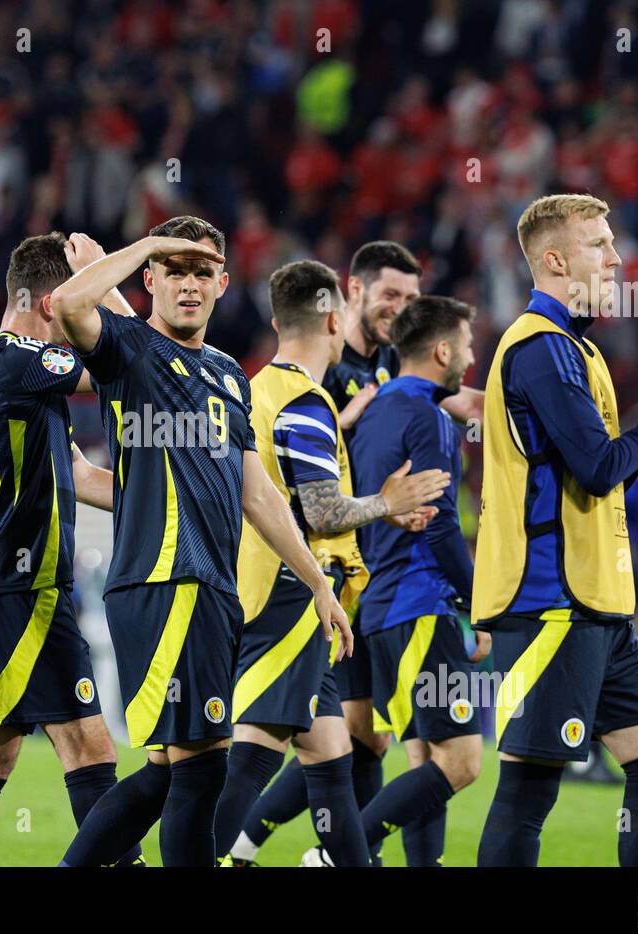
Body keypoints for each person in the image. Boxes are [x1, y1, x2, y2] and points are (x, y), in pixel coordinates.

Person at [51, 217, 354, 866]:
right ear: (151, 279)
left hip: (214, 593)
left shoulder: (226, 375)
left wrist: (318, 581)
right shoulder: (128, 350)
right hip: (163, 583)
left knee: (167, 772)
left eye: (200, 272)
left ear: (221, 283)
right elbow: (71, 302)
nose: (188, 285)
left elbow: (260, 496)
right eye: (173, 270)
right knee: (201, 771)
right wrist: (140, 250)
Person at [472, 193, 638, 867]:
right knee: (528, 789)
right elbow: (602, 469)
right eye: (598, 245)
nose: (615, 257)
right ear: (553, 259)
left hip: (595, 604)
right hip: (549, 604)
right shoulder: (542, 350)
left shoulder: (575, 348)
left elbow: (597, 478)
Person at [248, 241, 484, 864]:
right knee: (297, 740)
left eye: (411, 299)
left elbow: (467, 401)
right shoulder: (325, 393)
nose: (400, 308)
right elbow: (334, 506)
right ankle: (316, 854)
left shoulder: (382, 386)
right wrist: (476, 599)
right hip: (339, 589)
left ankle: (267, 848)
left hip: (358, 594)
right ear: (348, 297)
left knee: (359, 741)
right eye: (391, 295)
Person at [0, 232, 139, 867]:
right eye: (74, 301)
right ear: (53, 301)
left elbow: (76, 476)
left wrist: (169, 498)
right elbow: (122, 363)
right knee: (91, 747)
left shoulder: (9, 373)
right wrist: (112, 285)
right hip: (23, 593)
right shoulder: (21, 360)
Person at [342, 295, 485, 867]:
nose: (471, 358)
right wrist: (481, 604)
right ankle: (338, 853)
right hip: (418, 602)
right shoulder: (430, 417)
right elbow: (442, 526)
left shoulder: (374, 410)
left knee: (425, 761)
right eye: (469, 346)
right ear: (443, 349)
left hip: (382, 607)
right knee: (463, 763)